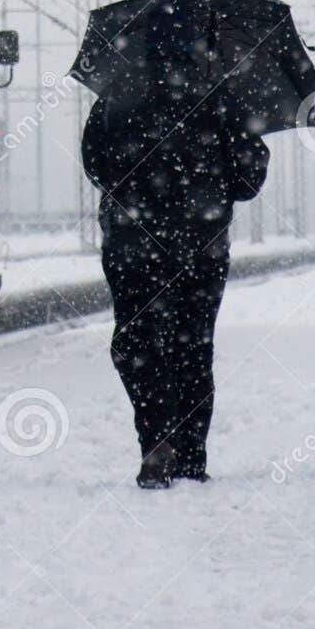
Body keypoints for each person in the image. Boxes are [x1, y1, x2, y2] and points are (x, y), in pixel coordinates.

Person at [82, 74, 270, 489]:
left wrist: (135, 185)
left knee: (137, 342)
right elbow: (249, 181)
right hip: (200, 245)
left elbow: (94, 163)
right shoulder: (224, 97)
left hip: (133, 244)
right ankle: (189, 455)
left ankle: (156, 443)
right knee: (193, 346)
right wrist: (208, 183)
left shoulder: (119, 94)